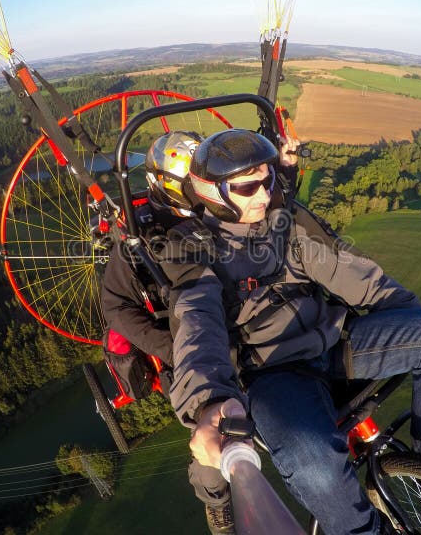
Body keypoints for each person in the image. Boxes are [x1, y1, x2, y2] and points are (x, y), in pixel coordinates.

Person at [162, 128, 421, 535]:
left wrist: (407, 318)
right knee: (315, 465)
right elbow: (197, 323)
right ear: (212, 192)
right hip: (273, 374)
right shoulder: (191, 248)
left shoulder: (284, 223)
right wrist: (210, 401)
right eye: (247, 187)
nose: (263, 194)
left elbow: (350, 272)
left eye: (267, 181)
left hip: (333, 343)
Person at [100, 128, 301, 534]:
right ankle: (217, 500)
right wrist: (174, 348)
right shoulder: (142, 237)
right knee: (214, 433)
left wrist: (285, 171)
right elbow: (116, 306)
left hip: (241, 318)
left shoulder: (219, 211)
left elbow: (267, 207)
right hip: (189, 341)